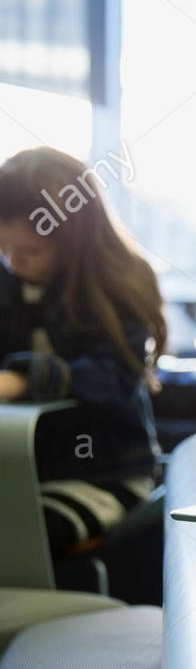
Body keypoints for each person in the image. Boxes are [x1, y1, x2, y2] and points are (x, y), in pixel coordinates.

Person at [0, 147, 167, 603]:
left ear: (73, 238)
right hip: (21, 472)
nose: (15, 261)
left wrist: (24, 378)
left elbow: (112, 377)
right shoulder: (9, 282)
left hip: (108, 475)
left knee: (15, 533)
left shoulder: (116, 287)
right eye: (3, 247)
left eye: (30, 250)